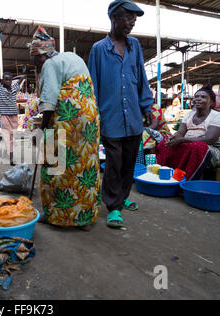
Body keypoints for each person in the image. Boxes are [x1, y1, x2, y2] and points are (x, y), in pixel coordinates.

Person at [88, 0, 153, 228]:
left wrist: (147, 107)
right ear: (114, 18)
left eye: (134, 20)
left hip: (133, 116)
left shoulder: (135, 46)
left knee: (128, 162)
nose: (131, 24)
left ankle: (122, 197)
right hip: (110, 116)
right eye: (128, 19)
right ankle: (113, 207)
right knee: (114, 162)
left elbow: (141, 79)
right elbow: (92, 85)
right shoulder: (99, 49)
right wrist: (94, 116)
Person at [29, 26, 101, 231]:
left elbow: (49, 103)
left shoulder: (51, 64)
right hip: (89, 122)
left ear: (42, 55)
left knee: (56, 166)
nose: (36, 65)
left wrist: (42, 130)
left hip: (67, 122)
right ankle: (84, 218)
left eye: (35, 60)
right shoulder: (72, 58)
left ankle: (55, 215)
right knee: (85, 166)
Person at [156, 85, 220, 180]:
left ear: (211, 102)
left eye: (203, 97)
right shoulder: (189, 115)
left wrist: (182, 140)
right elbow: (180, 133)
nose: (198, 99)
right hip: (189, 145)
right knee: (164, 143)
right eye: (196, 97)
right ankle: (165, 176)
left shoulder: (217, 116)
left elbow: (210, 139)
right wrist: (173, 138)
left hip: (214, 151)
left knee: (198, 147)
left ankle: (187, 180)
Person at [0, 72, 26, 165]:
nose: (8, 81)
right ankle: (11, 157)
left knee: (12, 136)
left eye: (9, 80)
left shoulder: (14, 87)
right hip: (4, 116)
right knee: (7, 136)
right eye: (6, 79)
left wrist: (13, 77)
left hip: (14, 116)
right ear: (3, 80)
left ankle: (10, 152)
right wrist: (0, 80)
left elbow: (23, 76)